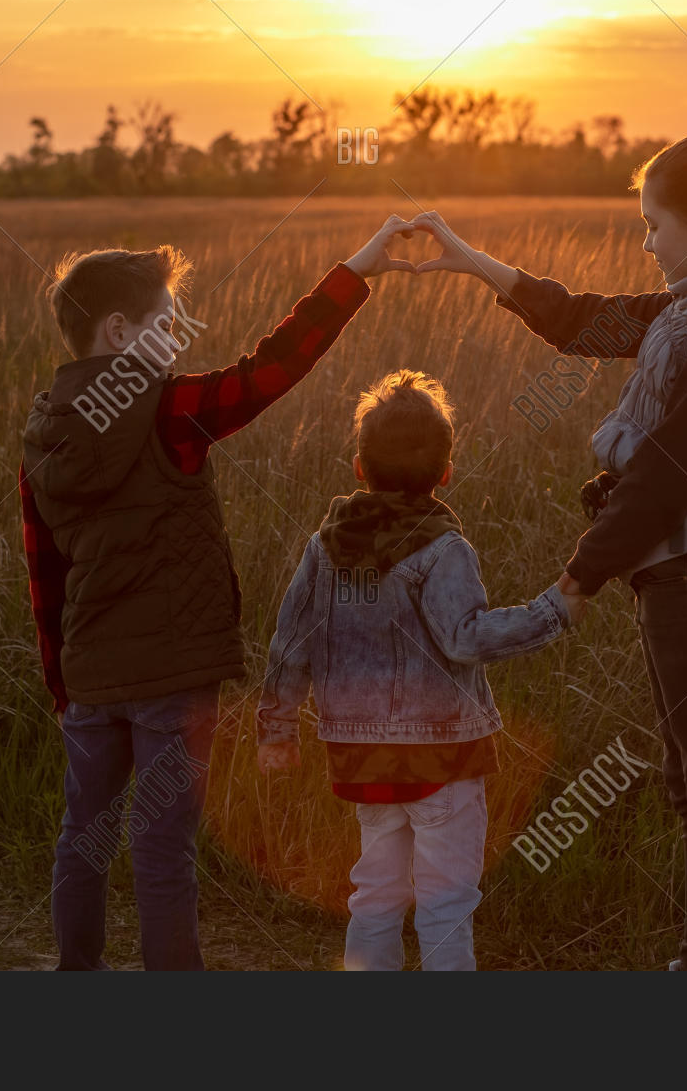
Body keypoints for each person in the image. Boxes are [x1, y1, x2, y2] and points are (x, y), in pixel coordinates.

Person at [412, 131, 687, 969]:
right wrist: (471, 262)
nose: (645, 242)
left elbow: (666, 476)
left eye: (654, 224)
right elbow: (583, 321)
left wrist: (581, 575)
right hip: (679, 568)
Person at [18, 216, 419, 969]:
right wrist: (356, 274)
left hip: (91, 677)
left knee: (83, 835)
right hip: (175, 676)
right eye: (164, 324)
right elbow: (272, 368)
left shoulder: (45, 430)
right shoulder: (169, 411)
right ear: (117, 330)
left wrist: (62, 682)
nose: (177, 337)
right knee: (163, 851)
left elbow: (44, 569)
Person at [256, 369, 587, 970]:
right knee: (445, 901)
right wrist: (552, 610)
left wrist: (277, 731)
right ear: (446, 474)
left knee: (375, 895)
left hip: (362, 757)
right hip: (444, 758)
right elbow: (465, 639)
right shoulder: (443, 549)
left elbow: (290, 640)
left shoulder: (324, 547)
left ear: (359, 468)